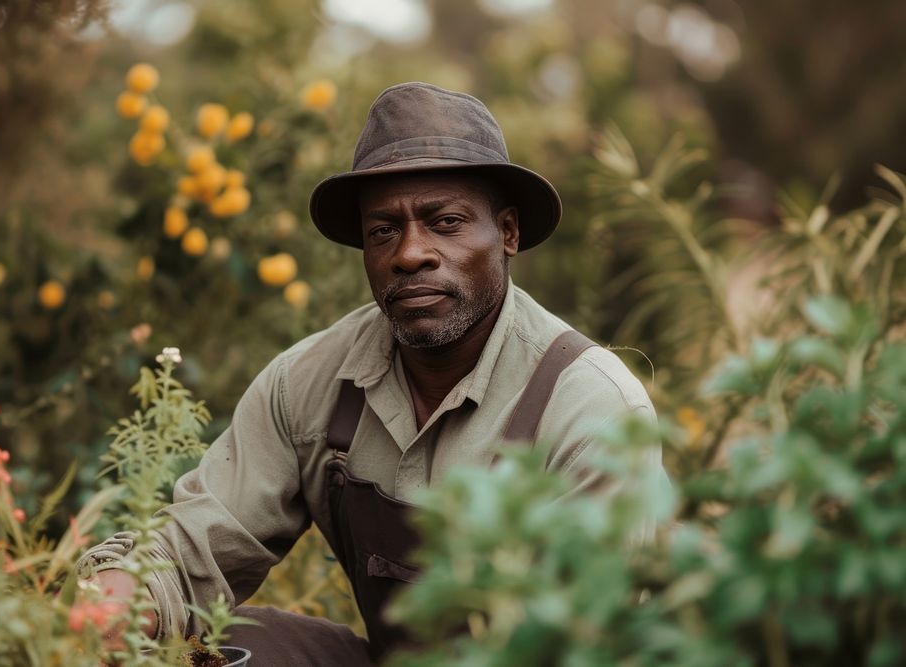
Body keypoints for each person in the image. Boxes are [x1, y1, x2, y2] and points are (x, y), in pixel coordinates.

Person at [79, 82, 665, 665]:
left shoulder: (590, 408)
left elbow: (588, 641)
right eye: (383, 230)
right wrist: (112, 606)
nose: (410, 253)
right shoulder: (310, 382)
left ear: (507, 233)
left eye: (445, 221)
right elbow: (195, 545)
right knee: (235, 646)